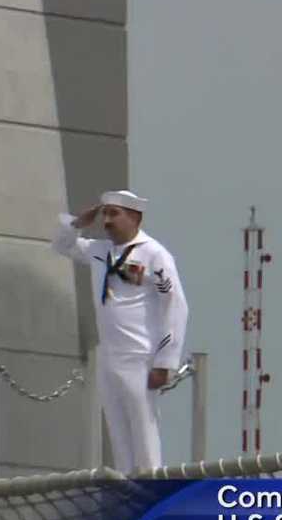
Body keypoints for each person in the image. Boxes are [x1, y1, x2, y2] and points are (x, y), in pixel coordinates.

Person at [51, 190, 188, 472]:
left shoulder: (154, 255)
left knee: (143, 429)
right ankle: (125, 491)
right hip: (109, 354)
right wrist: (78, 223)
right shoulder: (100, 251)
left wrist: (165, 362)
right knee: (117, 430)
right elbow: (62, 246)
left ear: (135, 217)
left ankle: (150, 491)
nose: (107, 221)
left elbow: (175, 307)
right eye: (105, 214)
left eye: (115, 214)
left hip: (140, 355)